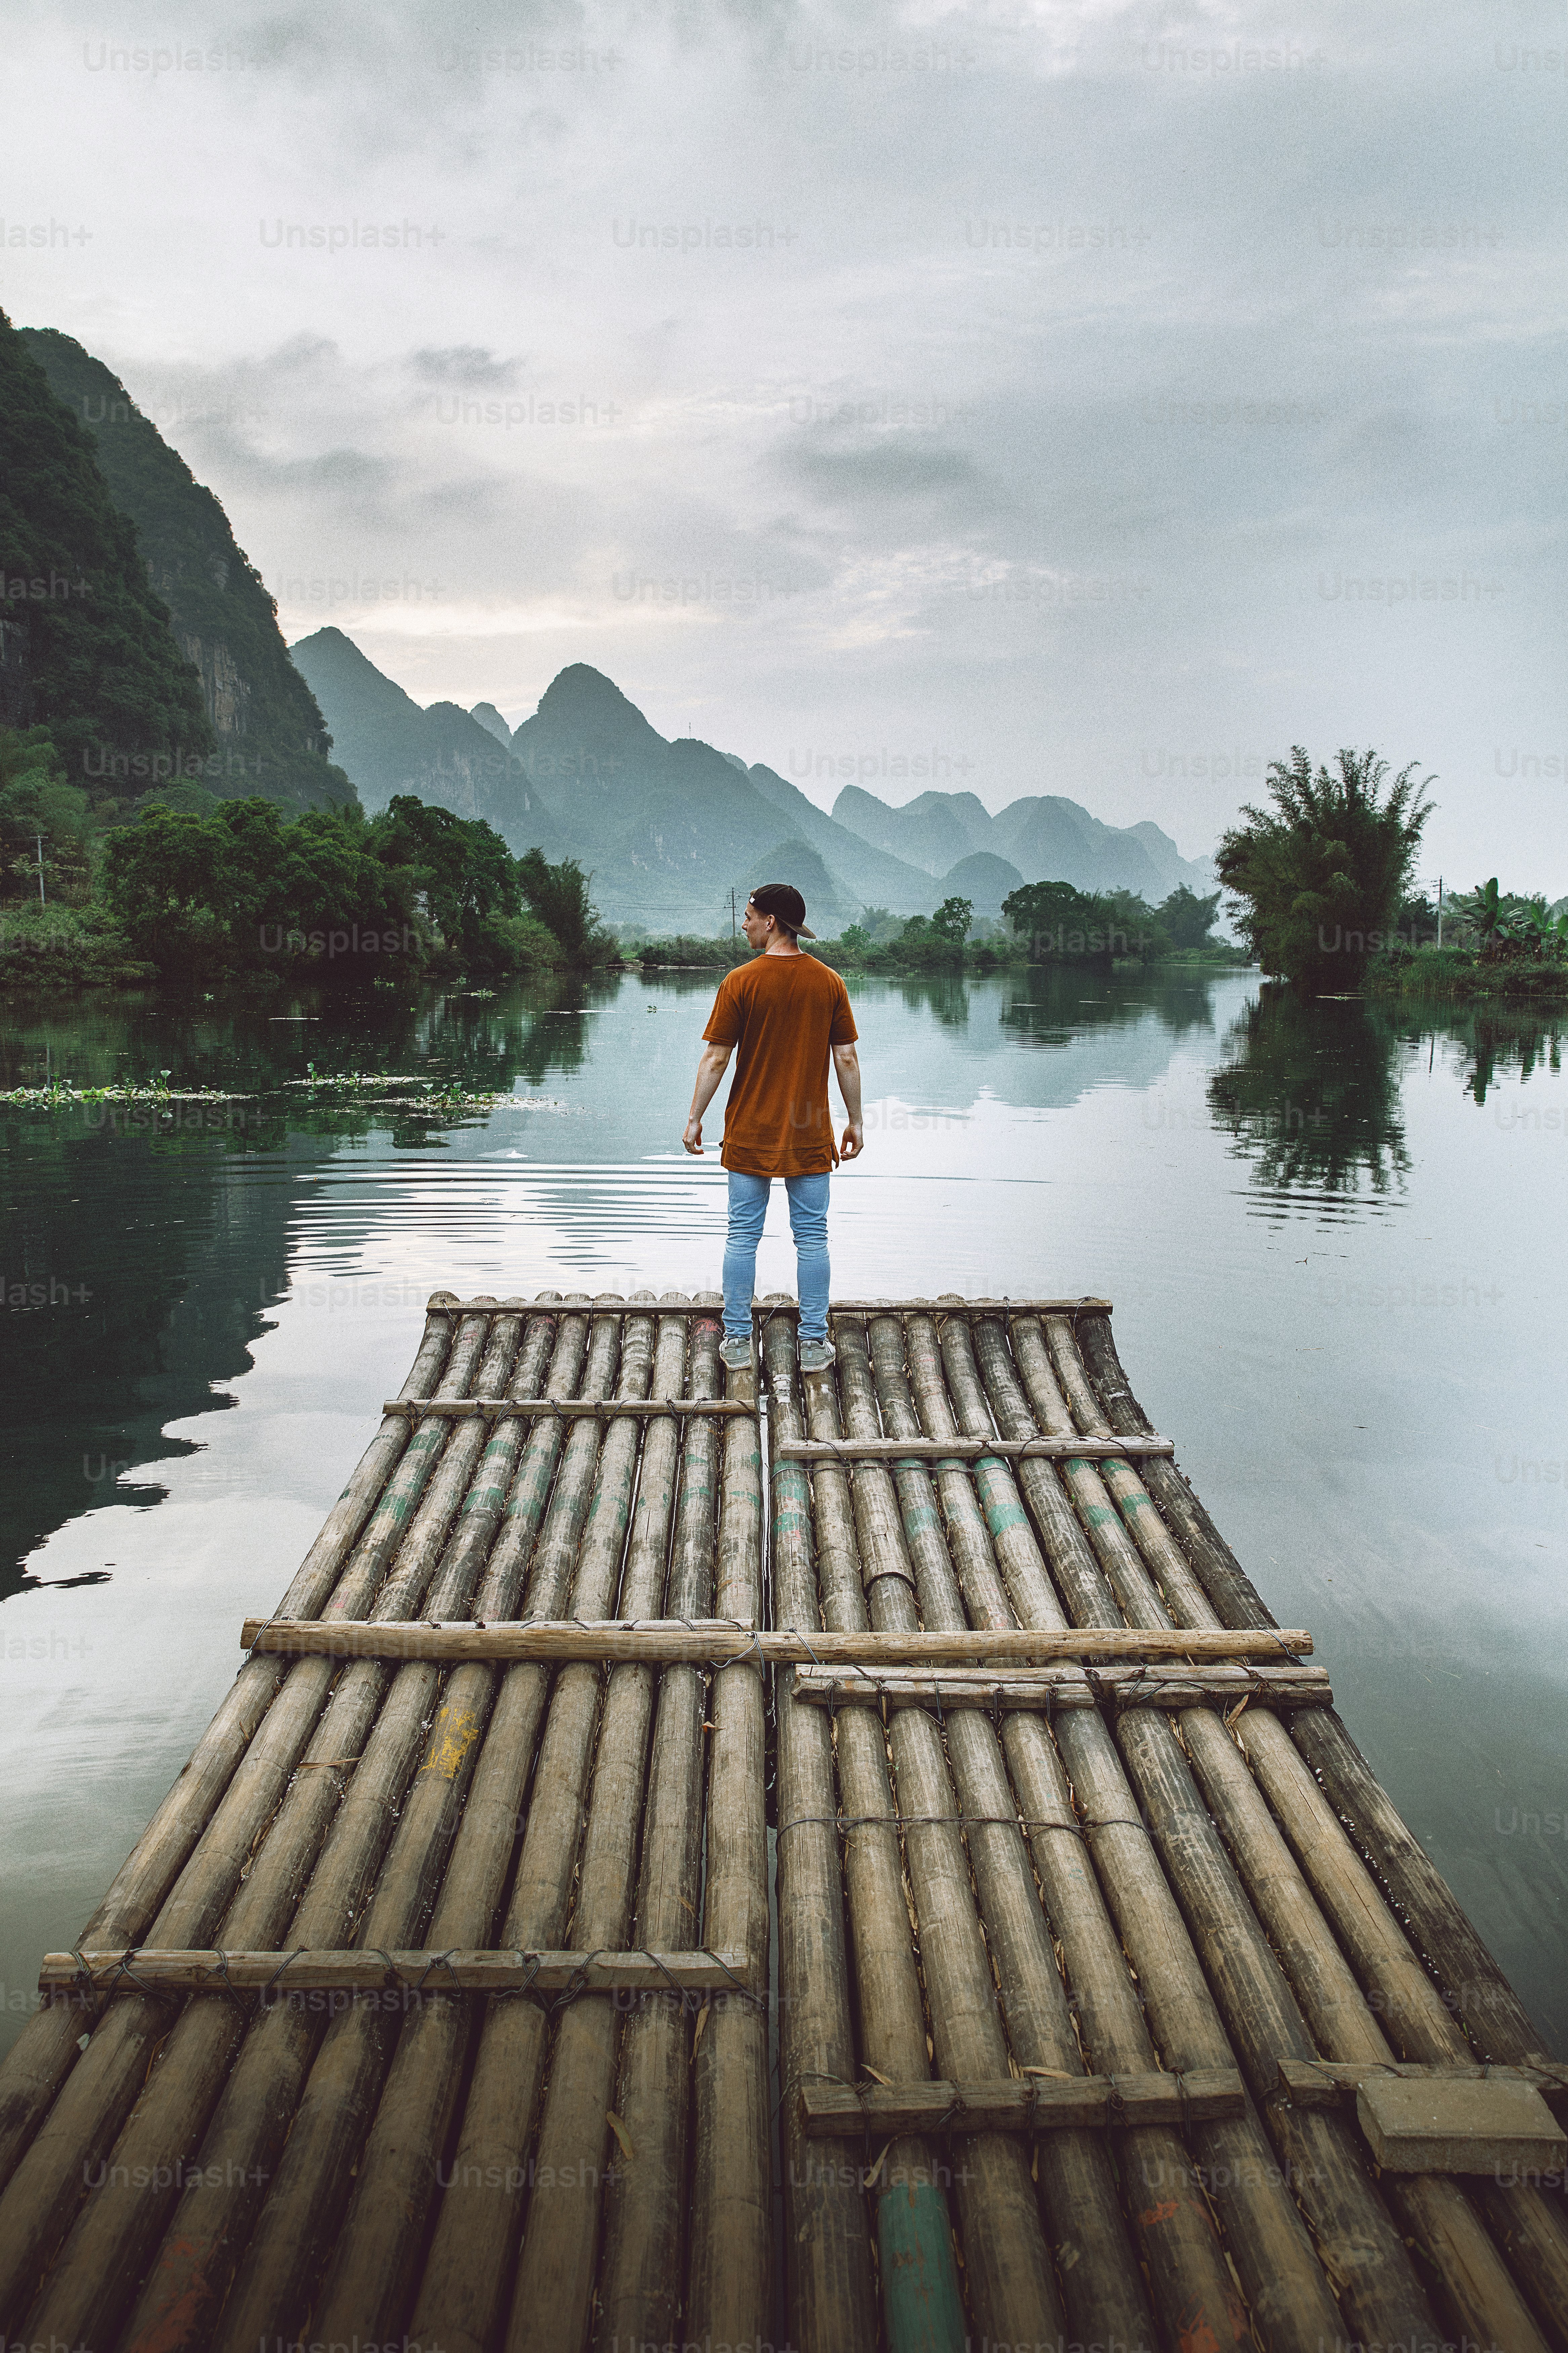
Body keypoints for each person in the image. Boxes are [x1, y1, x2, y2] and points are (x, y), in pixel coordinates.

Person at [683, 882, 863, 1372]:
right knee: (812, 1236)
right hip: (809, 1129)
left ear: (771, 922)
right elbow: (845, 1056)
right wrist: (856, 1121)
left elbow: (717, 1057)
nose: (742, 924)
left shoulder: (741, 982)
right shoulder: (828, 982)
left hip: (750, 1127)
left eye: (748, 916)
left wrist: (696, 1117)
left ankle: (738, 1339)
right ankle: (811, 1343)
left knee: (742, 1234)